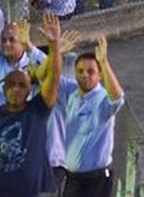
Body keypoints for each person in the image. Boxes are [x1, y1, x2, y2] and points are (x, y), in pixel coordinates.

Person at [0, 13, 65, 197]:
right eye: (11, 85)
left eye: (22, 85)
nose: (16, 89)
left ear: (29, 91)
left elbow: (53, 79)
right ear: (3, 89)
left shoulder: (38, 111)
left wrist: (54, 47)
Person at [57, 37, 125, 197]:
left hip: (96, 181)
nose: (85, 75)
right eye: (80, 71)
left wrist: (104, 62)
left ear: (100, 74)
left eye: (91, 71)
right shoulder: (71, 92)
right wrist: (56, 53)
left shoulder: (103, 99)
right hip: (72, 179)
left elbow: (118, 98)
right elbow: (49, 78)